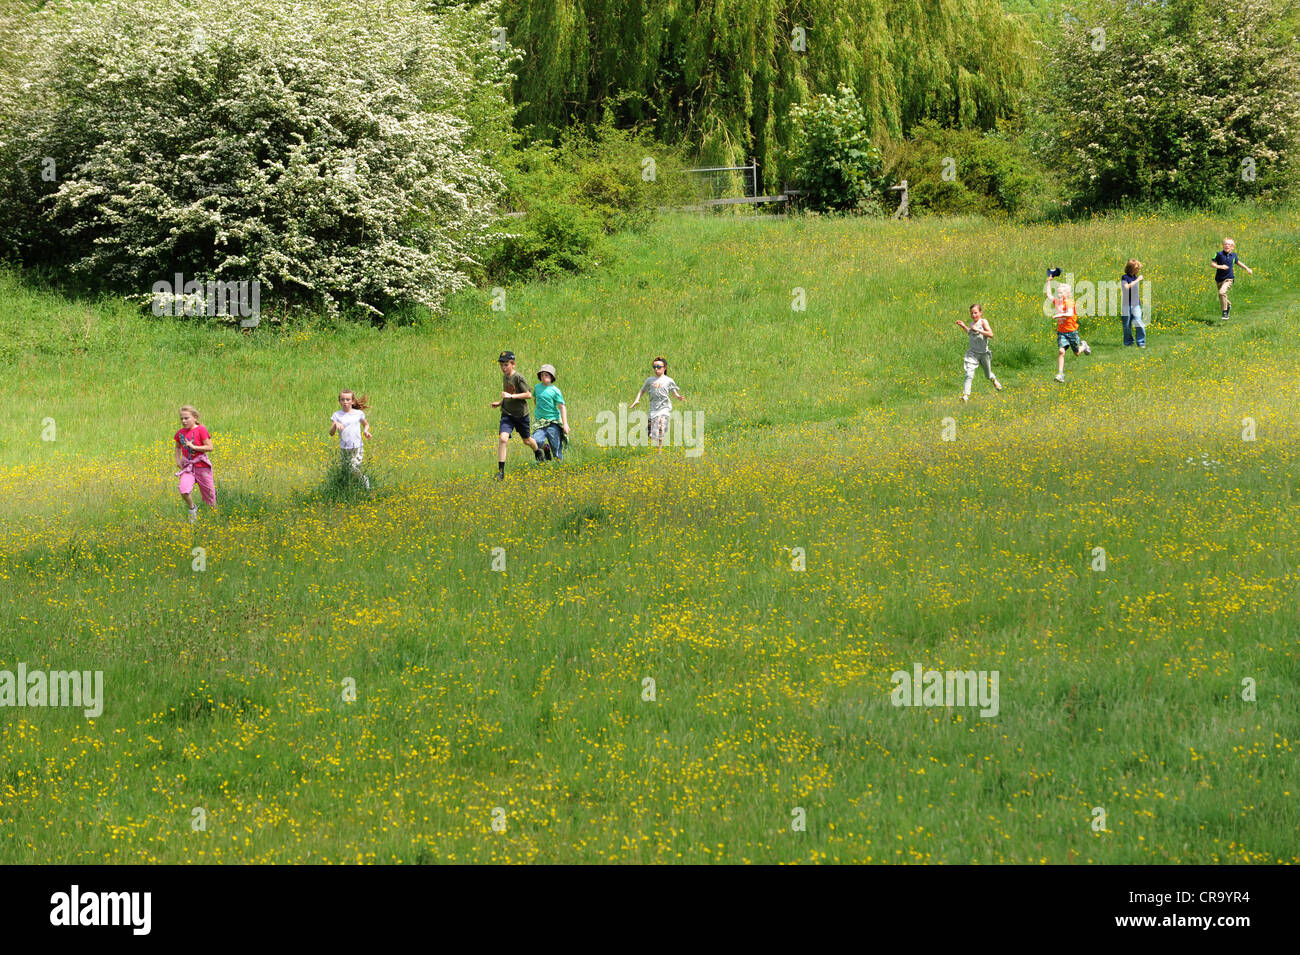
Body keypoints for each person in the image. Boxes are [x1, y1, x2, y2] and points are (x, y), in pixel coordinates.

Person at [491, 350, 542, 479]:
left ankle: (538, 451)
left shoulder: (519, 377)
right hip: (507, 414)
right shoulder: (505, 377)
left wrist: (511, 396)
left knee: (527, 440)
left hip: (521, 415)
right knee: (503, 439)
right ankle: (501, 472)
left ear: (513, 364)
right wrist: (500, 402)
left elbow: (528, 395)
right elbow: (507, 393)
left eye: (506, 365)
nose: (503, 368)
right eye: (501, 365)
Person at [630, 356, 686, 452]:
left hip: (664, 408)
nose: (656, 369)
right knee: (651, 435)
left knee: (660, 429)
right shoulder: (649, 380)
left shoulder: (669, 380)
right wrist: (636, 400)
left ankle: (659, 452)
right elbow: (642, 390)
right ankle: (655, 440)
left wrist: (678, 396)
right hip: (653, 409)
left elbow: (674, 392)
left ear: (665, 368)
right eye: (654, 367)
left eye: (659, 367)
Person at [174, 404, 215, 521]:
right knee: (183, 489)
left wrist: (194, 446)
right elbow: (177, 447)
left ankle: (213, 518)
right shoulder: (180, 433)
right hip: (188, 467)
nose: (183, 421)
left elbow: (210, 447)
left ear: (195, 417)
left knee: (209, 495)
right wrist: (178, 459)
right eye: (181, 418)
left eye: (186, 418)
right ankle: (192, 509)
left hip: (202, 466)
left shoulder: (201, 429)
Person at [955, 304, 1001, 402]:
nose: (973, 315)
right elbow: (971, 333)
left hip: (984, 353)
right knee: (969, 374)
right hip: (973, 353)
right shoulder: (972, 324)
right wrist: (964, 326)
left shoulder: (983, 322)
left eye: (975, 313)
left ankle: (994, 380)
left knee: (988, 375)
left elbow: (991, 334)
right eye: (971, 313)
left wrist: (979, 330)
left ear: (980, 313)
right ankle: (965, 396)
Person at [329, 390, 371, 489]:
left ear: (352, 401)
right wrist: (335, 424)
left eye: (348, 399)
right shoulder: (337, 415)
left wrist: (366, 431)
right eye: (342, 399)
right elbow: (331, 433)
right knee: (346, 470)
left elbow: (366, 424)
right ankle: (349, 488)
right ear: (339, 401)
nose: (345, 402)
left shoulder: (358, 413)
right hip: (344, 448)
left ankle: (365, 483)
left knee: (353, 468)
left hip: (357, 447)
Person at [1050, 280, 1090, 383]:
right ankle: (1060, 374)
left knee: (1076, 352)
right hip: (1061, 332)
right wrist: (1049, 282)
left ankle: (1084, 346)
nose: (1058, 294)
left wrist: (1058, 315)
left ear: (1067, 294)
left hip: (1072, 332)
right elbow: (1048, 294)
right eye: (1057, 292)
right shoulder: (1057, 302)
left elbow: (1069, 313)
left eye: (1061, 293)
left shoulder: (1070, 302)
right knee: (1061, 351)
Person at [530, 364, 569, 462]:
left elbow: (562, 406)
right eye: (542, 375)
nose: (543, 377)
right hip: (540, 422)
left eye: (546, 375)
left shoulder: (555, 391)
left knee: (556, 448)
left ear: (551, 377)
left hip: (553, 422)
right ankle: (545, 448)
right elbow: (536, 400)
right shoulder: (537, 387)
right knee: (535, 441)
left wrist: (565, 424)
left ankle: (558, 468)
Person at [1212, 238, 1252, 321]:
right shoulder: (1218, 254)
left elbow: (1238, 262)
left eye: (1229, 244)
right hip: (1219, 279)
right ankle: (1228, 305)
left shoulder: (1233, 255)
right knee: (1221, 295)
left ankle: (1225, 312)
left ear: (1233, 247)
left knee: (1222, 292)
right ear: (1223, 245)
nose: (1227, 245)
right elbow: (1212, 264)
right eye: (1225, 244)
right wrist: (1221, 266)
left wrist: (1247, 268)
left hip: (1229, 279)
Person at [1121, 259, 1145, 347]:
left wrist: (1137, 279)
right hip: (1126, 305)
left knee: (1139, 322)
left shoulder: (1135, 277)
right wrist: (1138, 280)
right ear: (1131, 268)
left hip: (1136, 304)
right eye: (1137, 268)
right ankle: (1128, 343)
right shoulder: (1125, 277)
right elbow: (1126, 287)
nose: (1138, 270)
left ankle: (1141, 342)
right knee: (1127, 326)